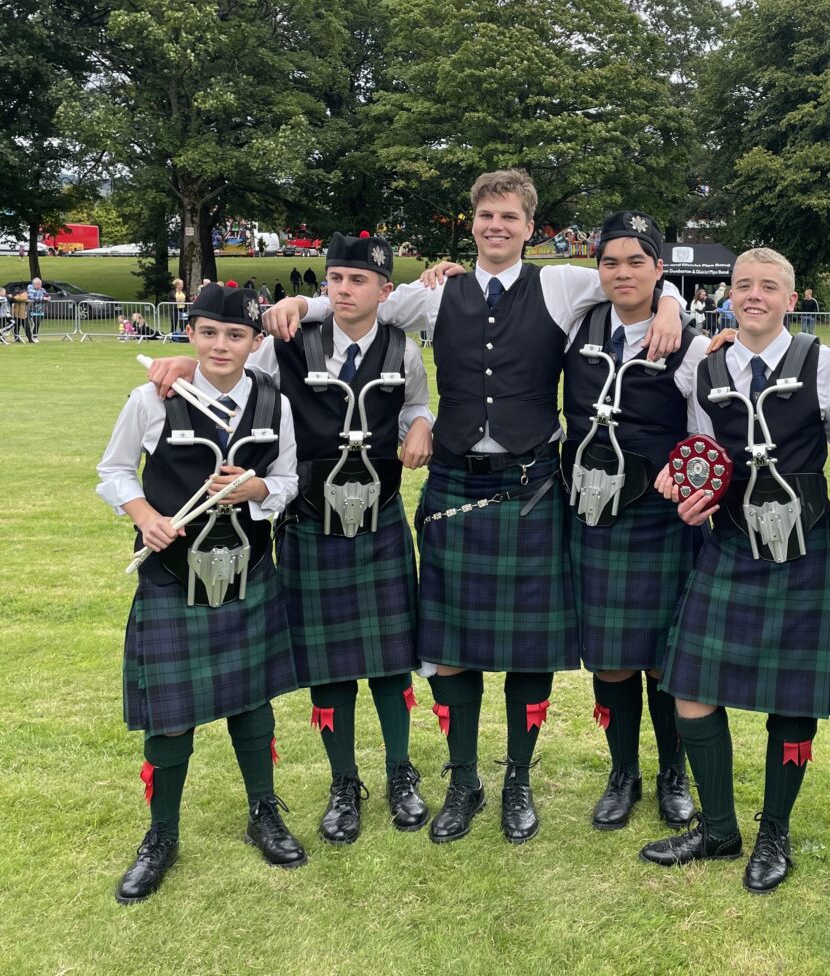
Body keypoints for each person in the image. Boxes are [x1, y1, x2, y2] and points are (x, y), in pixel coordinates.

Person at [262, 169, 686, 847]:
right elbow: (357, 305)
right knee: (450, 653)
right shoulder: (435, 294)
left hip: (532, 487)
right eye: (486, 215)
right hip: (456, 482)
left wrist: (671, 306)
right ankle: (464, 782)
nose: (496, 226)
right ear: (472, 222)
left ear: (529, 226)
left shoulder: (562, 284)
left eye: (510, 217)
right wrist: (299, 309)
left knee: (528, 655)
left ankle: (518, 779)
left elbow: (630, 281)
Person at [153, 233, 439, 845]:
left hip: (379, 513)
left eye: (358, 280)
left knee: (391, 662)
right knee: (327, 667)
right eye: (335, 278)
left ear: (384, 291)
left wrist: (420, 424)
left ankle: (400, 771)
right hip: (309, 517)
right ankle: (343, 781)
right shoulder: (284, 345)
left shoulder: (401, 345)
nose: (343, 289)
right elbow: (221, 376)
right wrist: (181, 364)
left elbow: (418, 402)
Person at [640, 248, 830, 900]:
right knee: (691, 689)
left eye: (768, 287)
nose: (754, 295)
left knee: (793, 700)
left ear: (792, 298)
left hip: (798, 552)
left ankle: (775, 832)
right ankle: (721, 826)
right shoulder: (705, 370)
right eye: (743, 286)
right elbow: (702, 456)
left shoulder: (826, 366)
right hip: (729, 547)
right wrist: (687, 488)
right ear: (728, 297)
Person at [96, 283, 307, 904]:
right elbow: (113, 470)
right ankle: (161, 835)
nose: (221, 345)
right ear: (191, 333)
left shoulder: (275, 402)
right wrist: (143, 515)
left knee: (252, 704)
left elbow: (290, 477)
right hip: (173, 577)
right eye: (209, 332)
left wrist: (258, 491)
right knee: (170, 720)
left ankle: (264, 812)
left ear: (255, 342)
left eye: (235, 335)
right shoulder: (151, 398)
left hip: (249, 572)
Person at [561, 212, 704, 832]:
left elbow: (705, 436)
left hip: (660, 515)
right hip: (593, 510)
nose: (622, 273)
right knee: (611, 657)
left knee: (661, 656)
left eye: (637, 262)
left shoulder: (694, 344)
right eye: (610, 262)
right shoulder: (574, 323)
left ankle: (674, 771)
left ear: (659, 269)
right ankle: (623, 771)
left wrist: (673, 307)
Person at [25, 278, 48, 342]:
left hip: (40, 309)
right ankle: (33, 337)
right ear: (33, 284)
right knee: (34, 323)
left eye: (40, 284)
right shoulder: (30, 290)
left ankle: (35, 336)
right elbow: (32, 297)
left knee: (38, 323)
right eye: (37, 284)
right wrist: (43, 298)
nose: (39, 285)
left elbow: (47, 295)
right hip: (32, 309)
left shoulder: (42, 290)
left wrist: (48, 297)